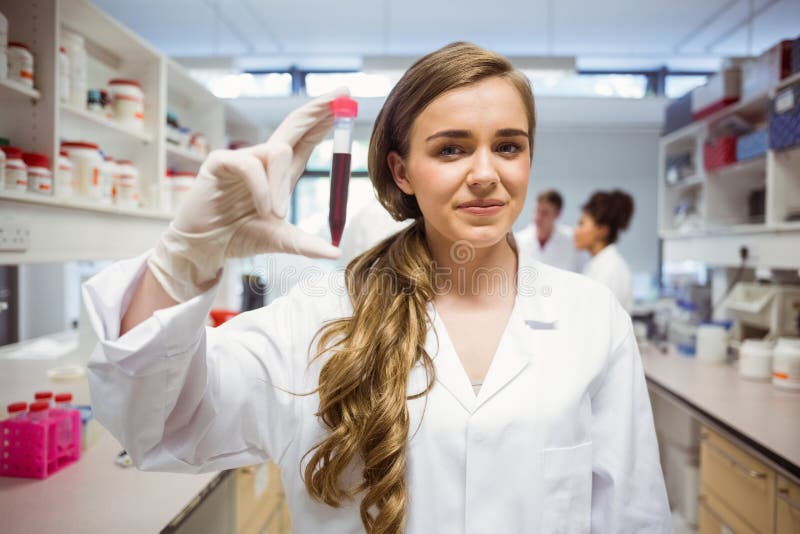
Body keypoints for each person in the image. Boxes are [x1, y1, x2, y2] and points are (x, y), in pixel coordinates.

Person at [83, 43, 669, 533]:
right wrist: (182, 258)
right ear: (401, 171)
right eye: (452, 148)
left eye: (509, 146)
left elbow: (633, 515)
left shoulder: (591, 318)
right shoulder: (319, 318)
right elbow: (159, 421)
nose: (487, 173)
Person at [574, 190, 635, 312]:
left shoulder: (611, 269)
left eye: (582, 224)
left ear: (602, 230)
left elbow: (597, 321)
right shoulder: (598, 264)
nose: (575, 231)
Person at [514, 189, 585, 271]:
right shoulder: (518, 240)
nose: (538, 217)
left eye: (544, 213)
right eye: (537, 211)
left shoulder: (573, 240)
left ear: (557, 214)